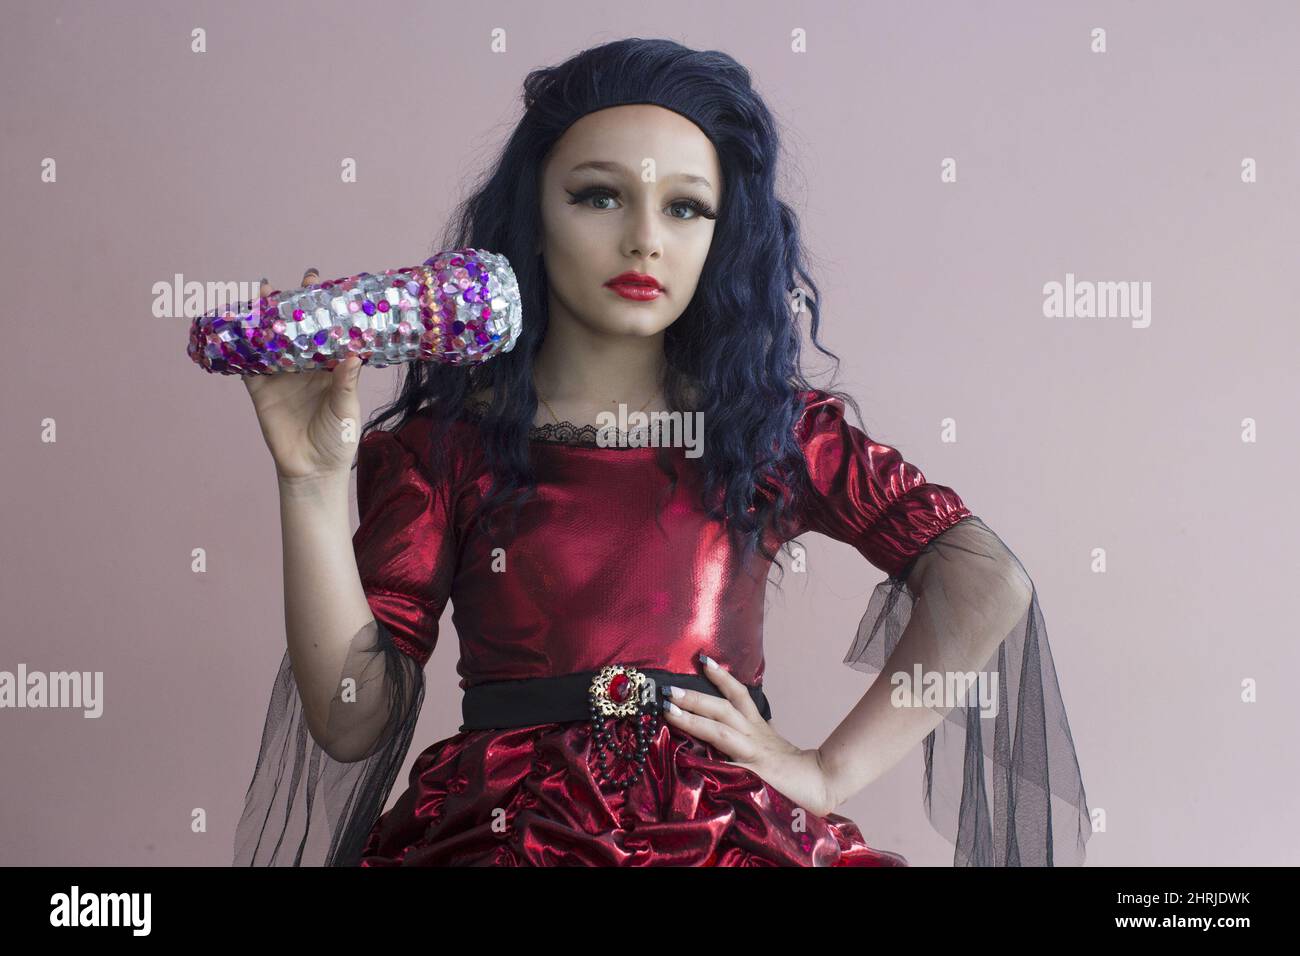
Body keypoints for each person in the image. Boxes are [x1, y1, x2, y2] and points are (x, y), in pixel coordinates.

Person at [233, 37, 1090, 867]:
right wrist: (310, 481)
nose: (646, 238)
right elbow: (350, 724)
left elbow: (987, 581)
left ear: (723, 237)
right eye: (600, 196)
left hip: (728, 837)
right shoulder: (444, 448)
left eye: (685, 207)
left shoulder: (774, 432)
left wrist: (828, 772)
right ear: (533, 217)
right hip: (503, 834)